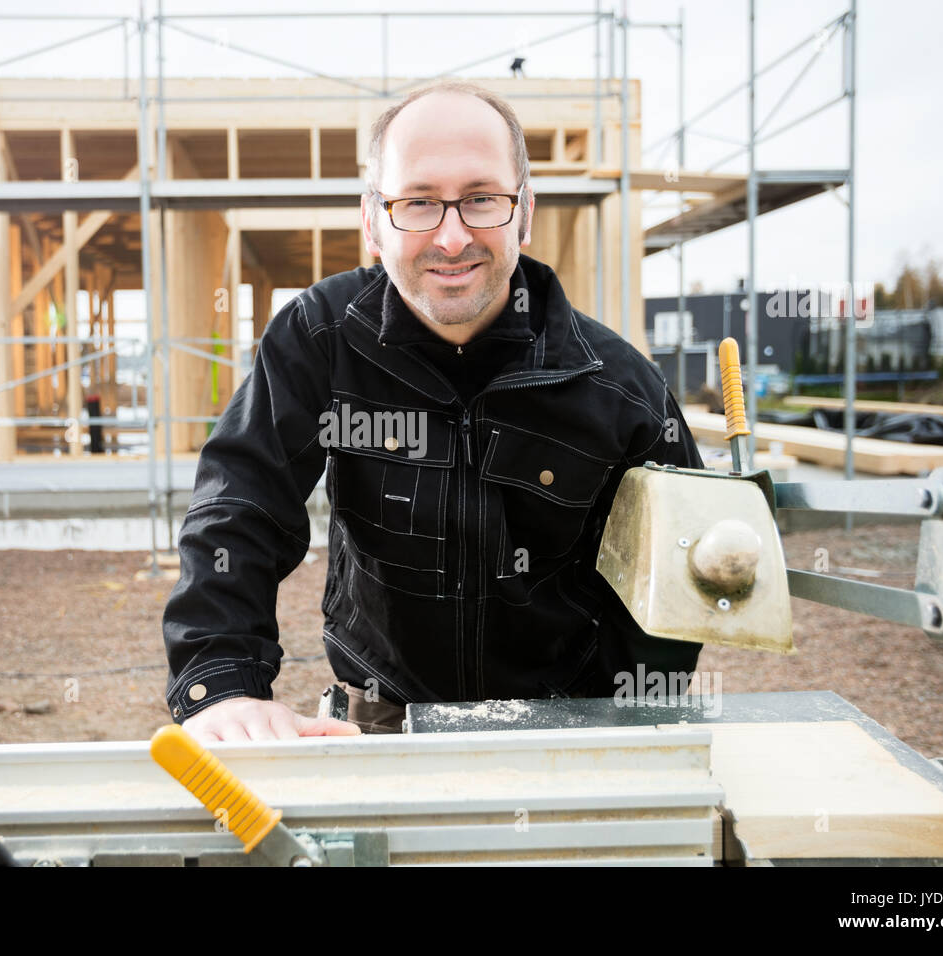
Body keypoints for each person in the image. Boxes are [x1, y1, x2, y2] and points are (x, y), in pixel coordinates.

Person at [162, 81, 704, 743]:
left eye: (481, 199)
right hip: (380, 722)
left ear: (524, 213)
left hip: (567, 724)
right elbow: (240, 502)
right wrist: (221, 682)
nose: (451, 238)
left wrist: (630, 735)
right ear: (372, 221)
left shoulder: (618, 387)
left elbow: (674, 589)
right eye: (417, 202)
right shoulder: (322, 339)